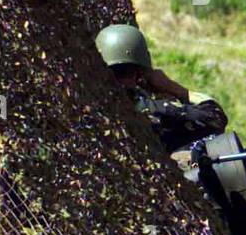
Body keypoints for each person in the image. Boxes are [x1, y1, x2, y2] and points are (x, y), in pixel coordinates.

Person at [94, 24, 228, 157]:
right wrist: (175, 88)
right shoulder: (154, 110)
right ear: (139, 72)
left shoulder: (96, 106)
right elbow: (215, 117)